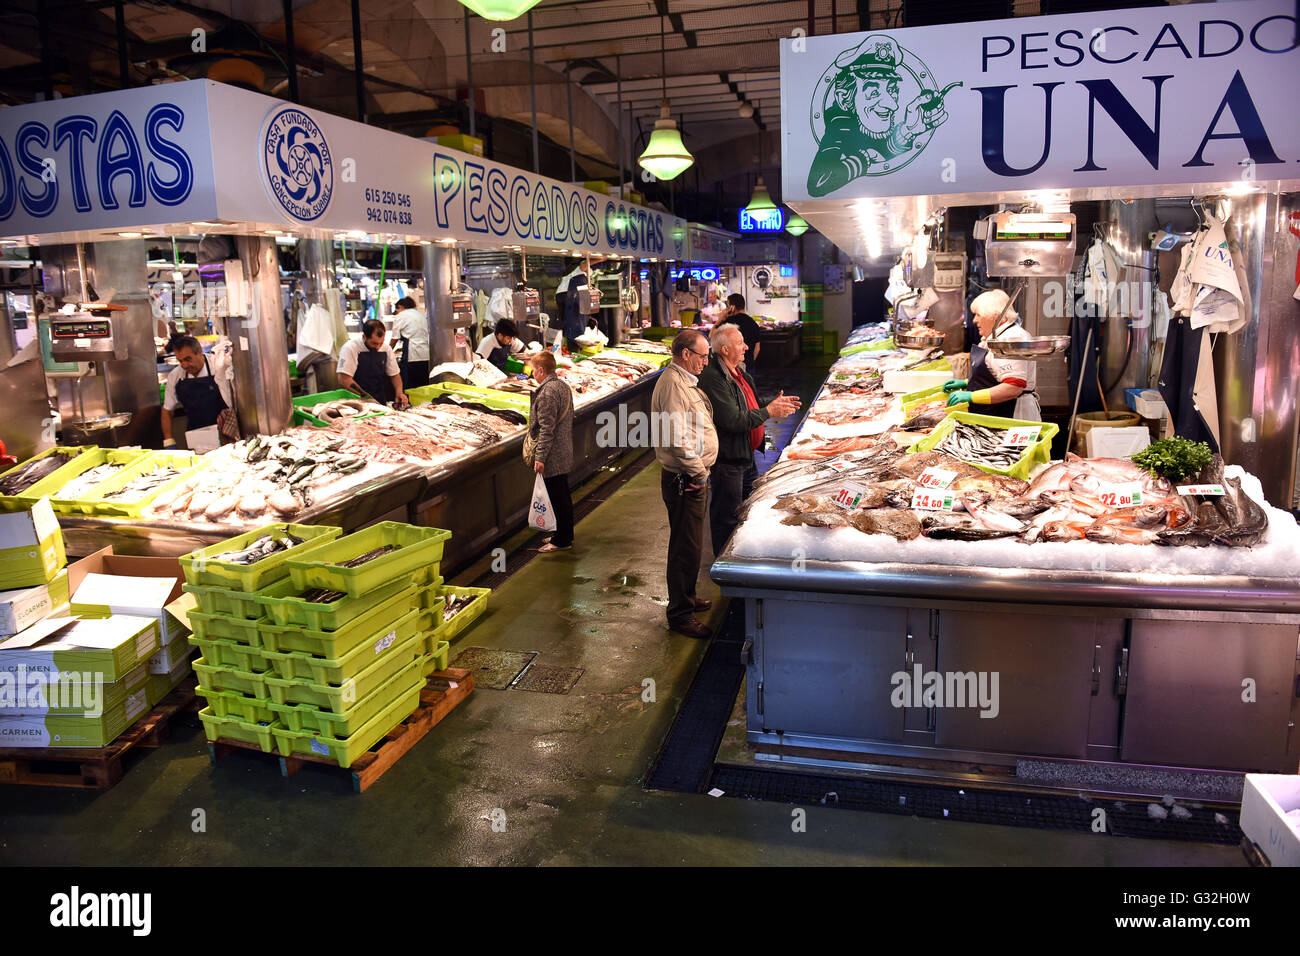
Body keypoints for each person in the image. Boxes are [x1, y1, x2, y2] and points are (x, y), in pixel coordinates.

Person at [697, 324, 801, 553]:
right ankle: (724, 565)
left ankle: (742, 554)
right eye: (740, 343)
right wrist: (768, 412)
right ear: (724, 349)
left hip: (747, 456)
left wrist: (772, 404)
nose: (746, 347)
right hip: (728, 460)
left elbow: (750, 404)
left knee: (749, 511)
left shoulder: (738, 372)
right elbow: (733, 420)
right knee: (727, 517)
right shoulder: (714, 378)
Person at [650, 330, 719, 639]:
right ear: (686, 354)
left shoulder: (685, 381)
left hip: (690, 475)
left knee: (691, 545)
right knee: (684, 546)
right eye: (702, 356)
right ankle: (679, 614)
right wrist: (698, 472)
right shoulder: (673, 385)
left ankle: (687, 598)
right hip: (685, 478)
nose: (706, 362)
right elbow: (677, 437)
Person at [943, 288, 1041, 421]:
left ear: (994, 315)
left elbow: (1013, 387)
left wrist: (971, 396)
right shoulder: (993, 337)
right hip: (996, 412)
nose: (974, 320)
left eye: (978, 315)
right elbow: (995, 376)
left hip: (1014, 414)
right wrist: (967, 383)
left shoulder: (1012, 338)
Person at [528, 350, 575, 553]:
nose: (532, 375)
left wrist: (540, 457)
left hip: (553, 454)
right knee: (562, 494)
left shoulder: (546, 393)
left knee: (558, 496)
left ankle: (562, 540)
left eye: (533, 370)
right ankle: (563, 534)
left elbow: (547, 429)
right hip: (564, 448)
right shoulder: (562, 386)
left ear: (540, 370)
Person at [162, 335, 235, 450]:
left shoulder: (218, 366)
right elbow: (167, 411)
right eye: (180, 361)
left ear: (200, 352)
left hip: (225, 431)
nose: (184, 365)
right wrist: (168, 441)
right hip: (195, 435)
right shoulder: (176, 375)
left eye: (187, 359)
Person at [338, 318, 410, 409]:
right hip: (356, 402)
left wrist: (399, 392)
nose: (378, 347)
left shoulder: (386, 348)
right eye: (374, 343)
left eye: (381, 343)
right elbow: (344, 379)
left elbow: (395, 375)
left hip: (379, 399)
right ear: (364, 337)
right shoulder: (350, 348)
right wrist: (366, 398)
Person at [392, 296, 429, 389]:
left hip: (412, 356)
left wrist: (387, 353)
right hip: (426, 355)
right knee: (424, 385)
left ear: (400, 307)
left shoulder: (400, 316)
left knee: (411, 386)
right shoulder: (420, 315)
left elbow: (394, 339)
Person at [715, 293, 763, 365]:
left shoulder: (728, 322)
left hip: (732, 366)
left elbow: (711, 335)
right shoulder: (753, 323)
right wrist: (750, 363)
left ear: (732, 307)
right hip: (749, 366)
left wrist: (721, 318)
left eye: (728, 306)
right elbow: (757, 348)